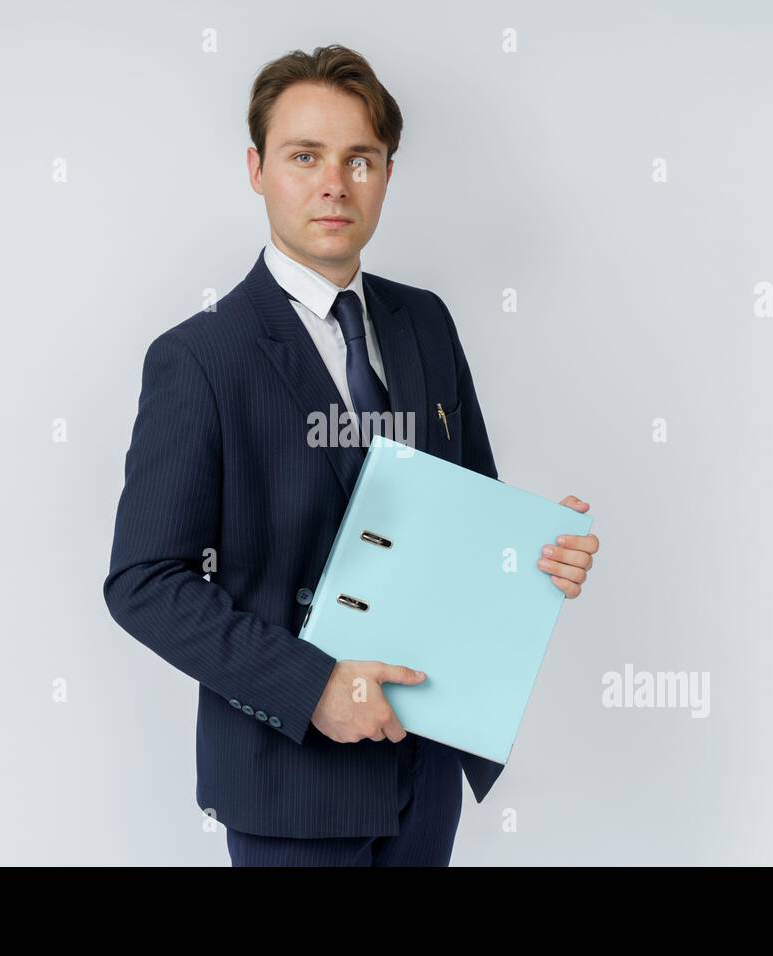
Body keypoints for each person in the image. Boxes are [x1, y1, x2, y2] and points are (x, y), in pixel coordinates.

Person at [103, 44, 599, 866]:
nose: (335, 183)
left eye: (359, 159)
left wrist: (535, 553)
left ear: (386, 175)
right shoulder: (199, 359)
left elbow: (463, 516)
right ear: (258, 169)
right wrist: (314, 689)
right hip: (288, 778)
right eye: (306, 156)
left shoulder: (425, 323)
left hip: (426, 759)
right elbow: (143, 582)